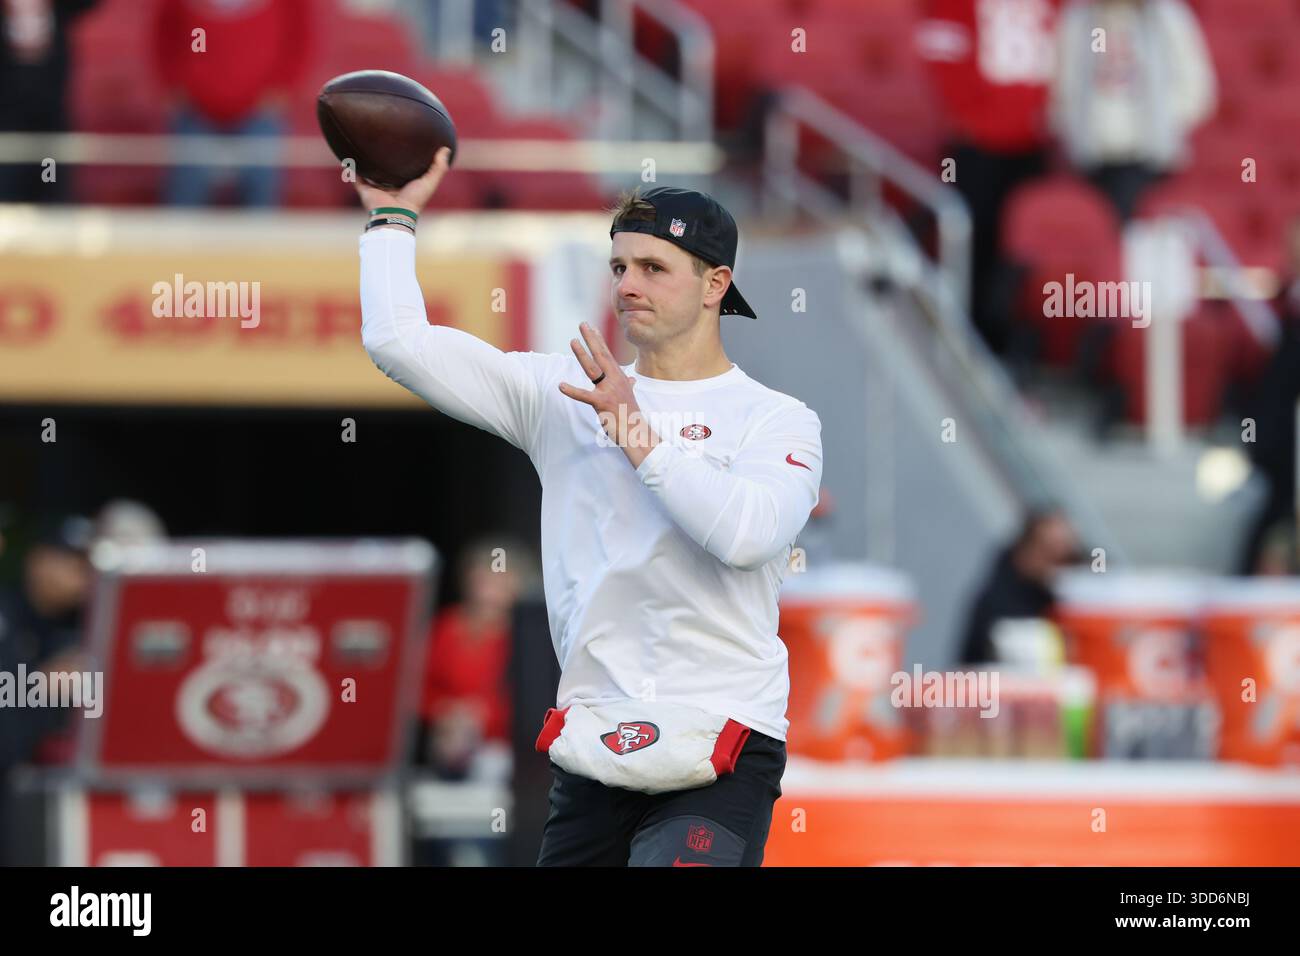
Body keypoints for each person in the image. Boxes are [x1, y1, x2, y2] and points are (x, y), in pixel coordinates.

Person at [355, 152, 822, 866]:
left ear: (715, 284)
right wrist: (392, 218)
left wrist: (635, 432)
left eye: (653, 268)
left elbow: (746, 535)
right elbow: (400, 344)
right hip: (596, 741)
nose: (628, 285)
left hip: (720, 742)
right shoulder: (561, 395)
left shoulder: (777, 418)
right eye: (619, 267)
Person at [917, 0, 1060, 355]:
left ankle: (1012, 343)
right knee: (974, 243)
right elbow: (943, 52)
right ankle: (968, 340)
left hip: (1036, 142)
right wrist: (972, 117)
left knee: (1024, 250)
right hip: (979, 143)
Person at [1050, 0, 1215, 221]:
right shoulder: (1078, 17)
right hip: (1090, 156)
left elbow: (1197, 86)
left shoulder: (1165, 15)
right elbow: (1064, 87)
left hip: (1147, 157)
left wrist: (1162, 121)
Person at [151, 0, 315, 207]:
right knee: (186, 191)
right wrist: (174, 83)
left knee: (259, 194)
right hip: (195, 108)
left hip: (260, 110)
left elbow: (300, 35)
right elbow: (165, 33)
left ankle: (260, 240)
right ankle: (177, 240)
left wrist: (283, 86)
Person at [419, 536, 531, 782]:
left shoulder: (526, 636)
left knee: (493, 765)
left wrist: (483, 717)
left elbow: (531, 701)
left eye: (499, 583)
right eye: (483, 581)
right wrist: (446, 712)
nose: (489, 593)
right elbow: (418, 689)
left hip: (503, 750)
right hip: (445, 742)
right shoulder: (446, 628)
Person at [0, 0, 100, 203]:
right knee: (8, 195)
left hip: (48, 130)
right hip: (8, 130)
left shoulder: (61, 9)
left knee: (49, 186)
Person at [958, 509, 1081, 665]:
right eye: (1049, 552)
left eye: (1067, 556)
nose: (1059, 565)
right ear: (1026, 551)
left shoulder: (1064, 595)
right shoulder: (998, 602)